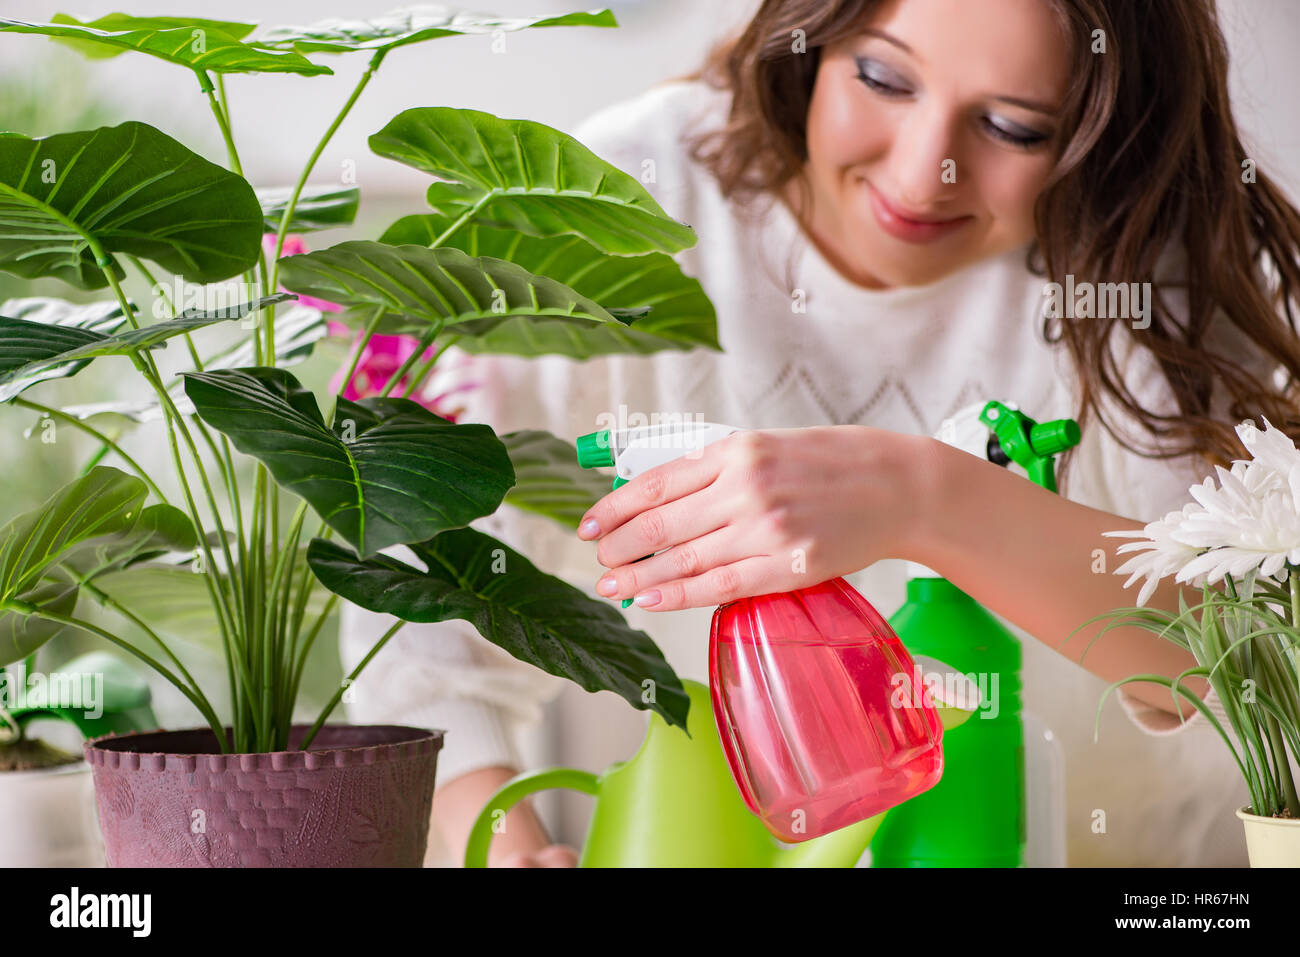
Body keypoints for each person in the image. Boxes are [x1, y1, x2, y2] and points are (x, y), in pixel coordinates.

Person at [340, 0, 1300, 867]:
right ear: (814, 36)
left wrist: (925, 498)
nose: (925, 171)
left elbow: (1238, 659)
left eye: (1015, 126)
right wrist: (507, 849)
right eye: (883, 77)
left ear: (1105, 135)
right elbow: (424, 627)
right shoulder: (627, 205)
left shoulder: (1138, 259)